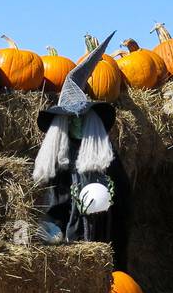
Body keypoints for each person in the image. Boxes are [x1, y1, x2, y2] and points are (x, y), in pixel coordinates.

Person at [32, 33, 133, 268]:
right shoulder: (57, 158)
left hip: (101, 233)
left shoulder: (104, 156)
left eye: (81, 117)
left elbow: (122, 199)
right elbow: (52, 204)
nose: (76, 123)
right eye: (70, 119)